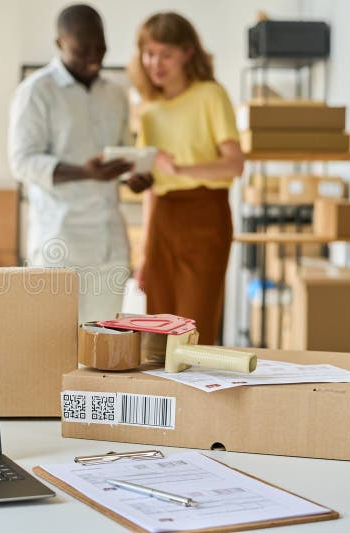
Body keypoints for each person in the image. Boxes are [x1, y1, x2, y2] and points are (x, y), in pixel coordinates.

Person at [8, 3, 152, 323]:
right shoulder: (36, 92)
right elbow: (21, 162)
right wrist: (83, 172)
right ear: (59, 44)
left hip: (108, 243)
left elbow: (123, 153)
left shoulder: (114, 94)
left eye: (100, 49)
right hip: (60, 242)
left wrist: (133, 176)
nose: (93, 59)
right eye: (82, 50)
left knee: (104, 342)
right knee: (55, 344)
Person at [129, 12, 244, 345]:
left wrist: (180, 169)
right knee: (157, 328)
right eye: (149, 53)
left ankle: (198, 395)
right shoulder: (149, 112)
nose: (155, 63)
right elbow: (151, 188)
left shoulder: (210, 95)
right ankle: (165, 399)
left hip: (205, 216)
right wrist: (145, 254)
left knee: (195, 325)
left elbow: (234, 164)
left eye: (166, 54)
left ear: (188, 53)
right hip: (163, 219)